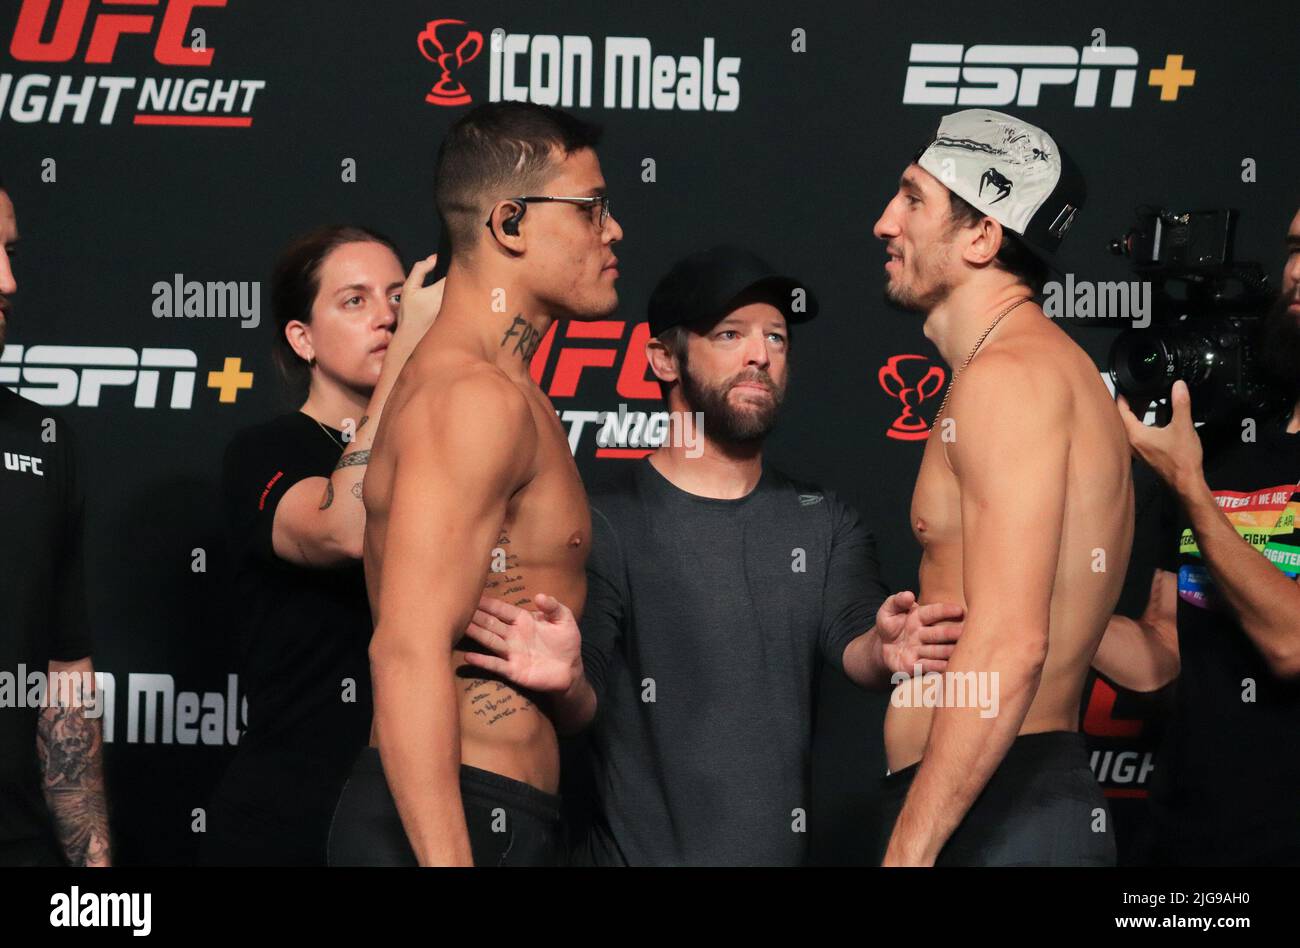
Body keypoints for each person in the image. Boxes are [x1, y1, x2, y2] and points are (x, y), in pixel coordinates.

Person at [465, 245, 965, 865]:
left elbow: (858, 639)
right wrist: (563, 682)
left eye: (777, 339)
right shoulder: (601, 520)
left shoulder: (824, 520)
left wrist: (890, 648)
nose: (761, 355)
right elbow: (581, 696)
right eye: (730, 334)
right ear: (664, 359)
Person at [326, 101, 623, 867]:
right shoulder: (470, 396)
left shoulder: (513, 388)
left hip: (503, 813)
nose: (612, 231)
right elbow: (404, 650)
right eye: (591, 209)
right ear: (510, 224)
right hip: (449, 824)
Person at [872, 109, 1133, 865]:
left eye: (914, 199)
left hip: (995, 811)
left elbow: (1013, 643)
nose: (885, 222)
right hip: (1004, 800)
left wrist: (909, 852)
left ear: (983, 238)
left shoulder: (1008, 380)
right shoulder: (1042, 370)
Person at [201, 225, 442, 865]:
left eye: (398, 297)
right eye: (354, 300)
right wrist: (400, 376)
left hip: (416, 816)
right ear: (301, 338)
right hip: (291, 819)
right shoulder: (264, 452)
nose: (388, 318)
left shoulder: (442, 457)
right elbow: (348, 527)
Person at [1094, 205, 1300, 864]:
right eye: (1295, 249)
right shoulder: (1218, 454)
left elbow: (1292, 643)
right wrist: (1041, 601)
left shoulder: (1191, 473)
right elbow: (1164, 652)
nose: (1298, 271)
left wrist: (1189, 488)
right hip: (1181, 841)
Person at [0, 176, 111, 866]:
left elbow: (65, 681)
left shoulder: (44, 440)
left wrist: (92, 867)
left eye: (9, 253)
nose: (8, 282)